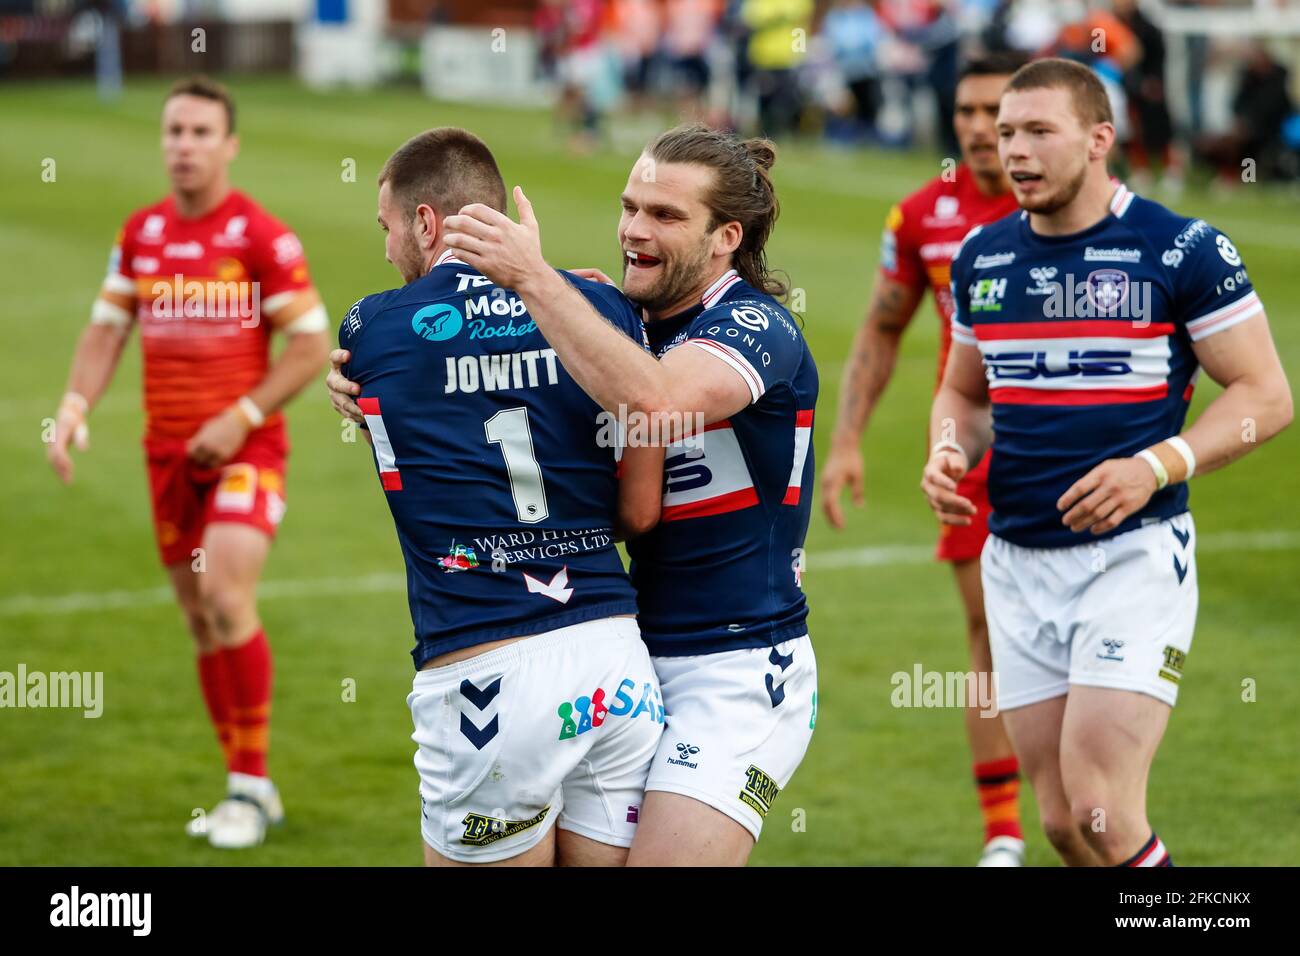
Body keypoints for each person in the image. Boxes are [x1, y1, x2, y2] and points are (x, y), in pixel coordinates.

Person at [329, 124, 818, 866]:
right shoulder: (616, 320)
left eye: (664, 216)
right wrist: (388, 410)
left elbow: (656, 400)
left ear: (725, 237)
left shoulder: (755, 327)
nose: (633, 230)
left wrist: (537, 282)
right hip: (629, 652)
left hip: (738, 666)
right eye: (630, 207)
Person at [922, 58, 1293, 866]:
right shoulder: (983, 257)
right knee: (1060, 822)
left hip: (1132, 556)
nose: (1010, 148)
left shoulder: (1182, 249)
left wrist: (1155, 466)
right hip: (1015, 560)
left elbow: (1266, 396)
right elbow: (966, 396)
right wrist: (948, 452)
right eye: (1004, 131)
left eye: (1036, 131)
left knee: (1101, 809)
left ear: (1099, 139)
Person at [338, 128, 667, 866]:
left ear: (426, 223)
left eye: (388, 228)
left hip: (487, 676)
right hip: (613, 659)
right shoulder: (603, 312)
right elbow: (637, 505)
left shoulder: (372, 329)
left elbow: (423, 416)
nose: (388, 250)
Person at [47, 76, 330, 849]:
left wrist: (240, 417)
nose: (185, 145)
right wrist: (72, 409)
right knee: (201, 620)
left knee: (226, 592)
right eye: (174, 131)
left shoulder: (260, 237)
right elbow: (106, 331)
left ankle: (243, 787)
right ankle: (253, 781)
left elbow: (311, 343)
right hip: (166, 455)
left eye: (202, 132)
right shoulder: (140, 233)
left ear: (229, 145)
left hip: (246, 448)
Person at [821, 51, 1028, 867]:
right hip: (975, 457)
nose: (980, 129)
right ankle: (1005, 834)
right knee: (990, 638)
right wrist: (845, 442)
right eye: (969, 112)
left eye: (998, 113)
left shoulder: (1081, 210)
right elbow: (880, 328)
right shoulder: (920, 217)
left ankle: (1095, 803)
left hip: (1080, 450)